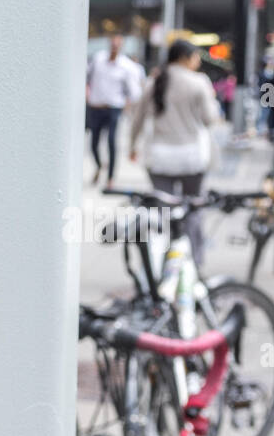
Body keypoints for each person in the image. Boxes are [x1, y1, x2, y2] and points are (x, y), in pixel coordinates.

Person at [128, 39, 222, 266]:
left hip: (160, 159)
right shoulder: (199, 82)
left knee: (162, 216)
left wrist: (132, 146)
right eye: (195, 56)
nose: (198, 61)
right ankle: (194, 265)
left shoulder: (155, 82)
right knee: (193, 214)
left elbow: (137, 119)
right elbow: (210, 119)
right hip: (191, 158)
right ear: (184, 57)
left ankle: (160, 266)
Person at [86, 34, 144, 187]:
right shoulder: (98, 59)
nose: (115, 46)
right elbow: (87, 77)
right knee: (93, 143)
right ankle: (99, 166)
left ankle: (110, 178)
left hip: (113, 108)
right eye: (113, 43)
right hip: (96, 107)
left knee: (112, 142)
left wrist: (126, 103)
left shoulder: (126, 66)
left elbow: (135, 92)